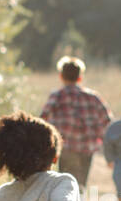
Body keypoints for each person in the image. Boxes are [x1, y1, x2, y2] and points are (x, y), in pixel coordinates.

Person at [40, 56, 111, 189]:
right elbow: (106, 120)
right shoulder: (92, 97)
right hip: (86, 148)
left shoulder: (57, 96)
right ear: (80, 77)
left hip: (65, 147)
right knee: (80, 186)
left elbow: (43, 118)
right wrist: (99, 137)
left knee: (65, 187)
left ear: (61, 76)